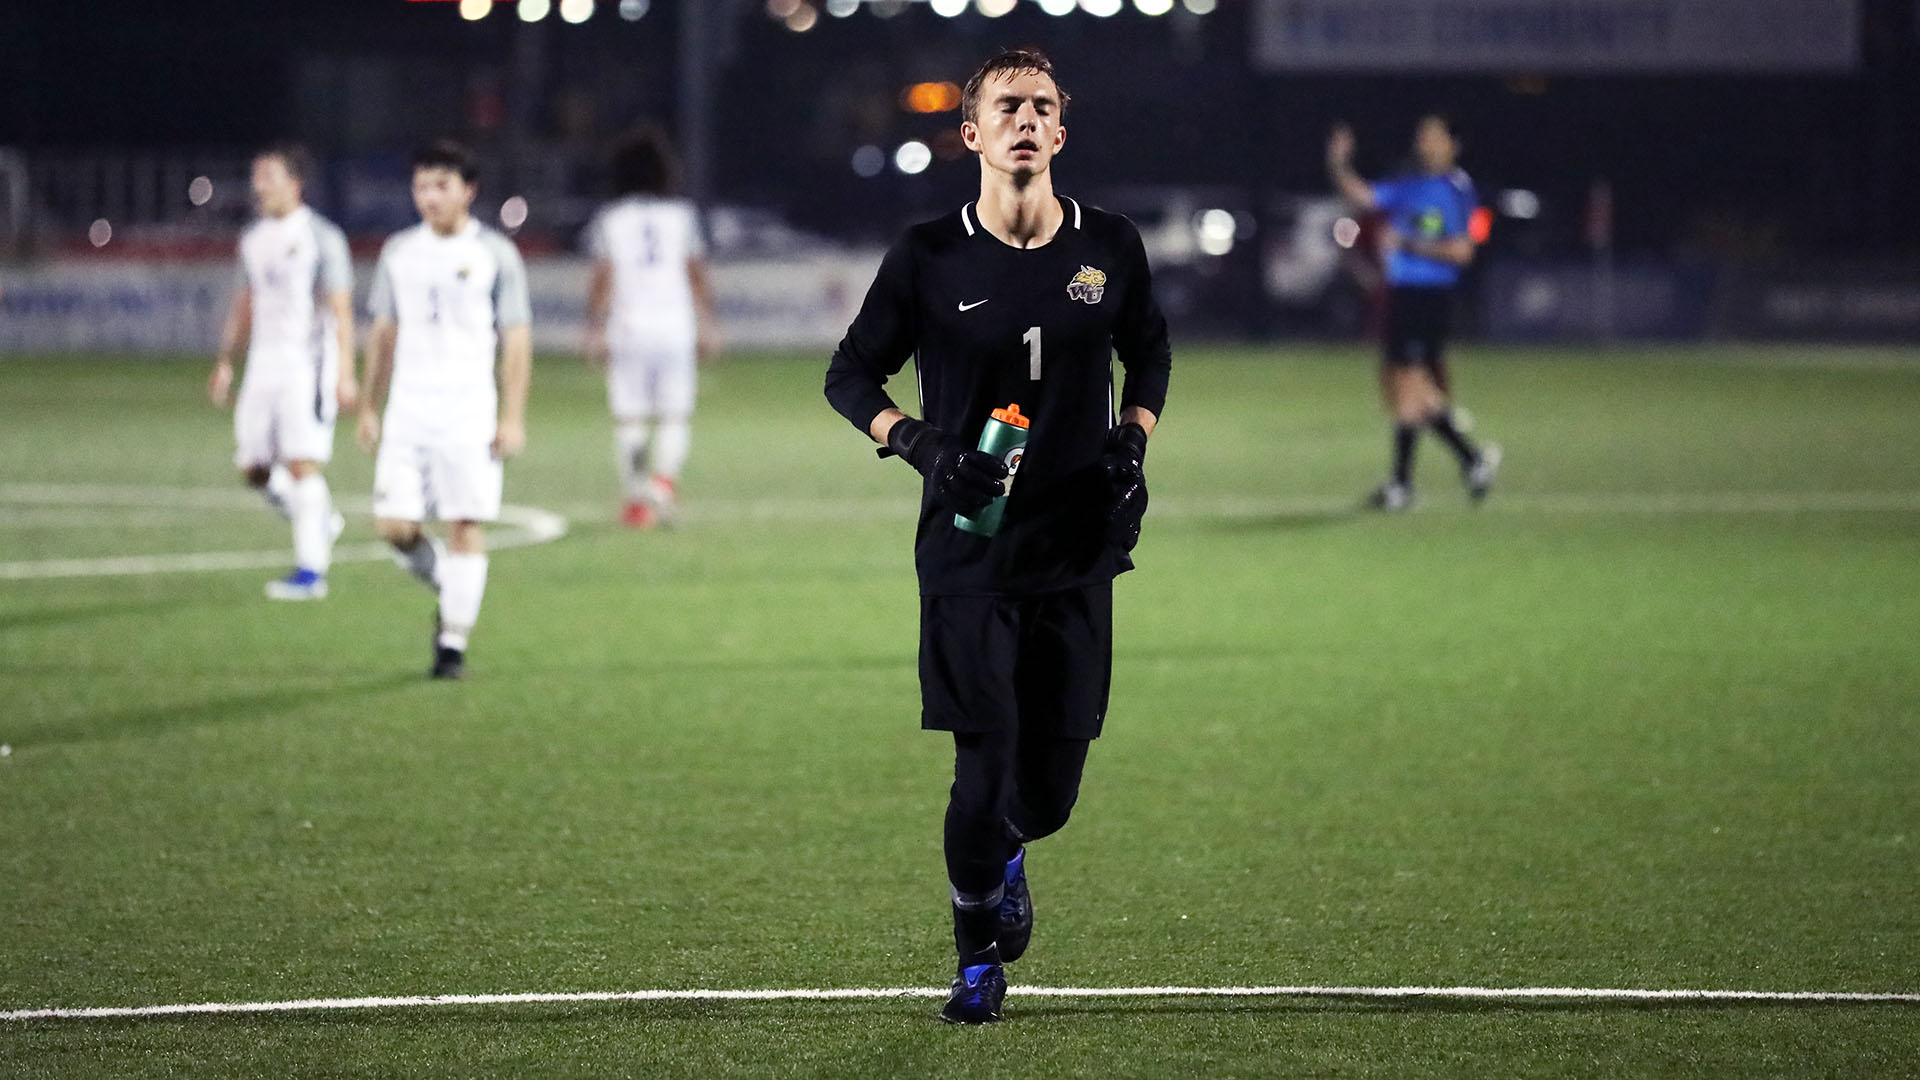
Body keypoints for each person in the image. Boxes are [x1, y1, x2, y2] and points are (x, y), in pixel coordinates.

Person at [824, 48, 1171, 1025]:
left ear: (1060, 133)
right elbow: (850, 376)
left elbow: (1149, 352)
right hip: (968, 555)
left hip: (1075, 553)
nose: (1025, 118)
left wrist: (1131, 443)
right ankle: (976, 950)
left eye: (1042, 106)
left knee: (1046, 796)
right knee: (980, 770)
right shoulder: (928, 255)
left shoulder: (1111, 248)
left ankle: (1007, 853)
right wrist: (920, 443)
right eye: (1006, 105)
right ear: (971, 133)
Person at [356, 140, 532, 680]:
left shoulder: (494, 255)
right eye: (421, 187)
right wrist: (369, 405)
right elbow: (383, 333)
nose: (429, 197)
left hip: (469, 413)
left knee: (465, 523)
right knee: (394, 526)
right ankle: (449, 585)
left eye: (441, 186)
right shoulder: (399, 252)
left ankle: (452, 643)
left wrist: (511, 416)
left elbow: (517, 339)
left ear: (468, 191)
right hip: (409, 412)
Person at [1327, 114, 1501, 510]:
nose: (1423, 143)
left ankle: (1430, 475)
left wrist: (1407, 244)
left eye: (1433, 136)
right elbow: (1363, 196)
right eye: (1421, 136)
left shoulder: (1456, 190)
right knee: (1405, 393)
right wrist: (1338, 163)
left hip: (1431, 297)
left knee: (1410, 389)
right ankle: (1442, 470)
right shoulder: (1408, 186)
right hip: (1402, 296)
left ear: (1453, 145)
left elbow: (1462, 251)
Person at [209, 144, 354, 599]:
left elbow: (341, 308)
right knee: (253, 467)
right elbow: (244, 303)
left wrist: (345, 370)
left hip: (305, 362)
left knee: (300, 462)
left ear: (295, 183)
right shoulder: (252, 239)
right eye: (256, 176)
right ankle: (320, 519)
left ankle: (312, 575)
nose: (259, 185)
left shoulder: (321, 237)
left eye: (268, 176)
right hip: (263, 362)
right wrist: (226, 362)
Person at [582, 128, 719, 528]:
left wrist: (593, 325)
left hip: (628, 329)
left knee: (631, 418)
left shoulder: (612, 220)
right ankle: (662, 484)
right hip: (675, 326)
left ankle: (638, 499)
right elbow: (695, 272)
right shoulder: (682, 216)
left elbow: (602, 276)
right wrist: (708, 322)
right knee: (675, 416)